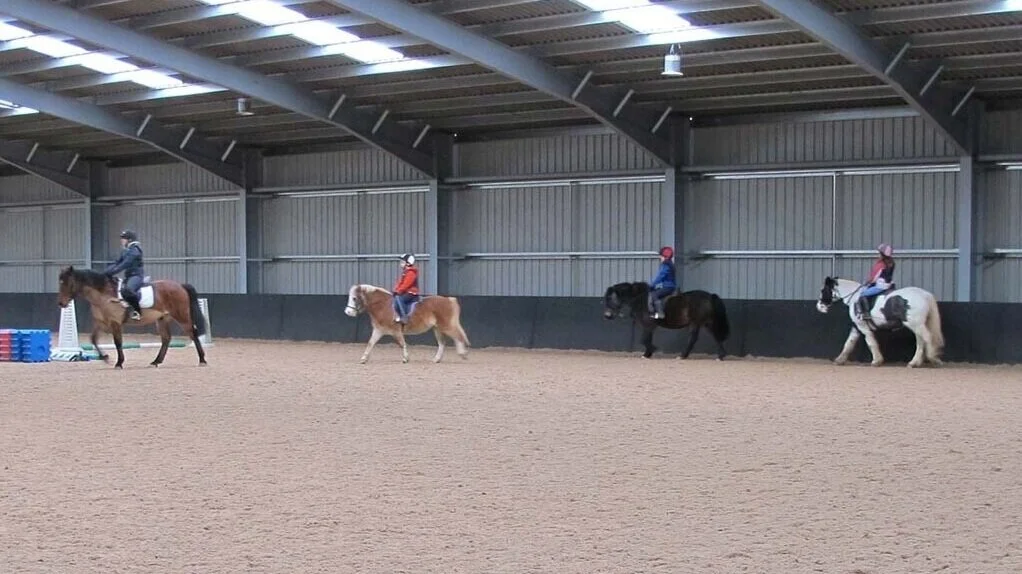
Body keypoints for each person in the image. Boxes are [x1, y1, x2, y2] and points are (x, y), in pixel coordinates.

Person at [105, 229, 146, 321]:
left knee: (128, 290)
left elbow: (125, 264)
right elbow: (117, 262)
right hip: (128, 276)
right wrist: (105, 272)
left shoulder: (135, 251)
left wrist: (112, 272)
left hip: (136, 276)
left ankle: (138, 311)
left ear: (130, 240)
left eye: (123, 239)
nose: (121, 241)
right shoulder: (125, 251)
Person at [857, 242, 896, 319]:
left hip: (881, 286)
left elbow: (875, 278)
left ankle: (866, 314)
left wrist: (868, 282)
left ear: (882, 254)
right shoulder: (892, 262)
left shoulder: (881, 264)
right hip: (890, 285)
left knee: (863, 294)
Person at [648, 246, 677, 320]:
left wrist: (652, 285)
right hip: (670, 286)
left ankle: (660, 314)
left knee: (654, 294)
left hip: (668, 287)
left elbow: (660, 276)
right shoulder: (670, 264)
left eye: (661, 256)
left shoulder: (665, 265)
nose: (660, 258)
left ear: (665, 257)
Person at [392, 253, 420, 324]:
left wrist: (398, 291)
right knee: (395, 298)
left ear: (408, 263)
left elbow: (406, 284)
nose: (400, 263)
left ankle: (404, 317)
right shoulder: (405, 272)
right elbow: (400, 282)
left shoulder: (411, 273)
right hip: (405, 292)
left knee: (399, 299)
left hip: (411, 293)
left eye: (402, 261)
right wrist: (395, 289)